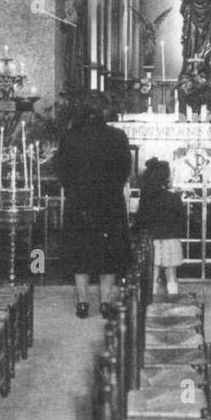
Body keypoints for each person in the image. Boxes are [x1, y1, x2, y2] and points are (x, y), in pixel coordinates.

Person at [57, 96, 132, 319]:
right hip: (108, 202)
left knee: (81, 254)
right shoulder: (117, 136)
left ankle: (82, 302)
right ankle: (106, 302)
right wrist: (112, 189)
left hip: (79, 203)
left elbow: (62, 170)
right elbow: (125, 168)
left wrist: (74, 192)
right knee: (107, 255)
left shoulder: (69, 136)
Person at [132, 159, 185, 295]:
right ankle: (172, 301)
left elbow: (140, 221)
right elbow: (182, 220)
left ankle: (151, 304)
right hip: (171, 240)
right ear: (165, 178)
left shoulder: (146, 198)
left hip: (152, 241)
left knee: (152, 276)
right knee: (171, 275)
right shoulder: (174, 198)